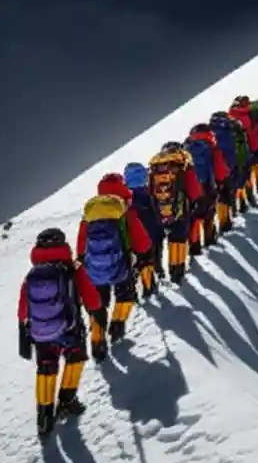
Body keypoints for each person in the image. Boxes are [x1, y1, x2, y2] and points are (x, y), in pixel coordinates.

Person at [18, 227, 103, 437]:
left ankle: (44, 415)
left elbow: (23, 307)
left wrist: (24, 329)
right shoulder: (72, 269)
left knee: (46, 366)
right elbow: (91, 297)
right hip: (69, 328)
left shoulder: (32, 275)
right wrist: (97, 310)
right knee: (76, 357)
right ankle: (67, 400)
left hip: (40, 331)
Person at [76, 174, 152, 359]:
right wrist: (144, 252)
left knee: (98, 305)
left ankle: (97, 340)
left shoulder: (90, 213)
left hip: (94, 269)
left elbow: (81, 245)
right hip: (121, 266)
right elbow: (141, 242)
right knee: (126, 295)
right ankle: (117, 324)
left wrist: (82, 261)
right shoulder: (124, 210)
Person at [148, 141, 203, 285]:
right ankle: (177, 271)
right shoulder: (184, 166)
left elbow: (149, 190)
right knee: (178, 240)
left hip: (159, 211)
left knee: (165, 239)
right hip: (181, 210)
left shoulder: (155, 168)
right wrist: (194, 202)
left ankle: (162, 271)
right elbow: (195, 191)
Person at [186, 124, 229, 254]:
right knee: (208, 213)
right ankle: (209, 239)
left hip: (190, 187)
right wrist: (222, 181)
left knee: (194, 216)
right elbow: (220, 169)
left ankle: (194, 245)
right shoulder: (211, 147)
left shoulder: (186, 147)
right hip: (207, 185)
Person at [123, 163, 164, 299]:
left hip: (132, 237)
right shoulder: (148, 195)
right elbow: (156, 216)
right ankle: (149, 285)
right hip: (150, 235)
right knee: (148, 260)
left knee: (137, 260)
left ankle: (136, 284)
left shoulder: (125, 198)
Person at [228, 96, 258, 205]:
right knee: (247, 174)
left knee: (237, 179)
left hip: (233, 155)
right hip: (250, 148)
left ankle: (240, 202)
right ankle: (251, 195)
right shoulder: (248, 116)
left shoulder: (229, 119)